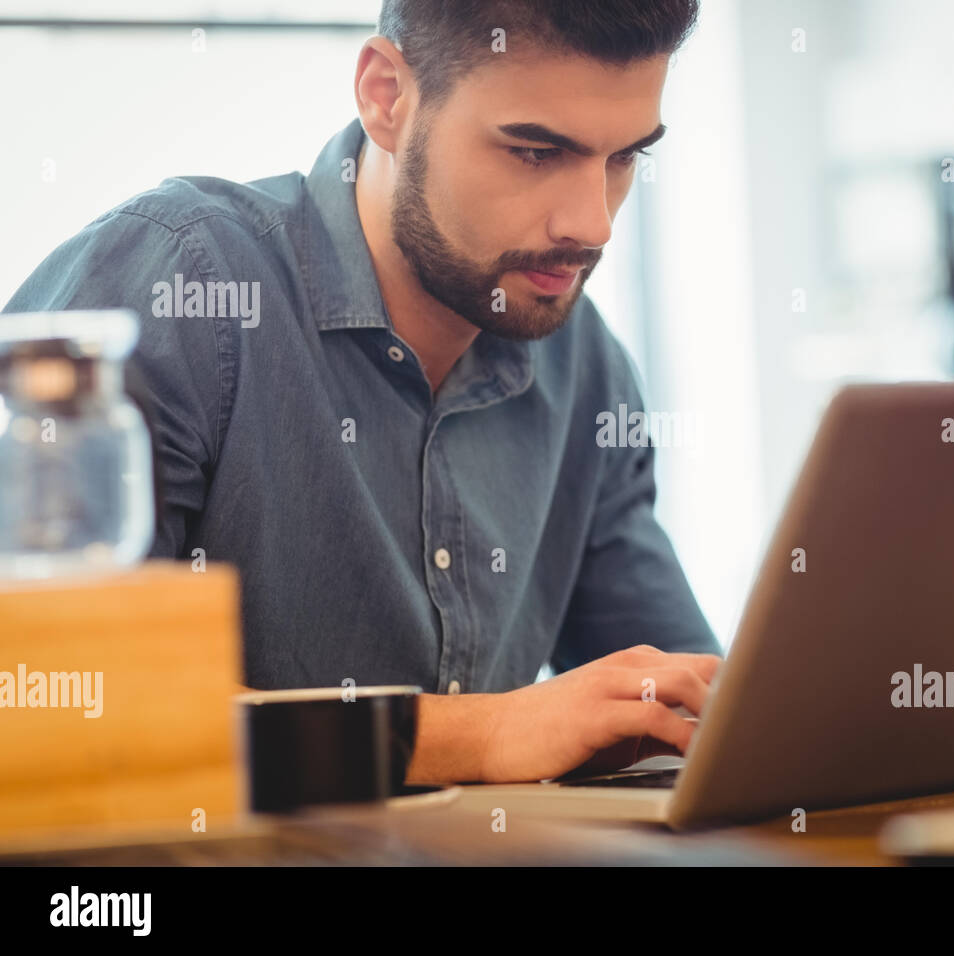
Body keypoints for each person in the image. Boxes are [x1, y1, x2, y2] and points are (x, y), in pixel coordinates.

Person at [2, 0, 722, 784]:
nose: (594, 224)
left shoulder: (582, 362)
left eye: (623, 159)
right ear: (386, 96)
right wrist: (480, 738)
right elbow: (50, 700)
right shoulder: (180, 283)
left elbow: (684, 710)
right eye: (535, 152)